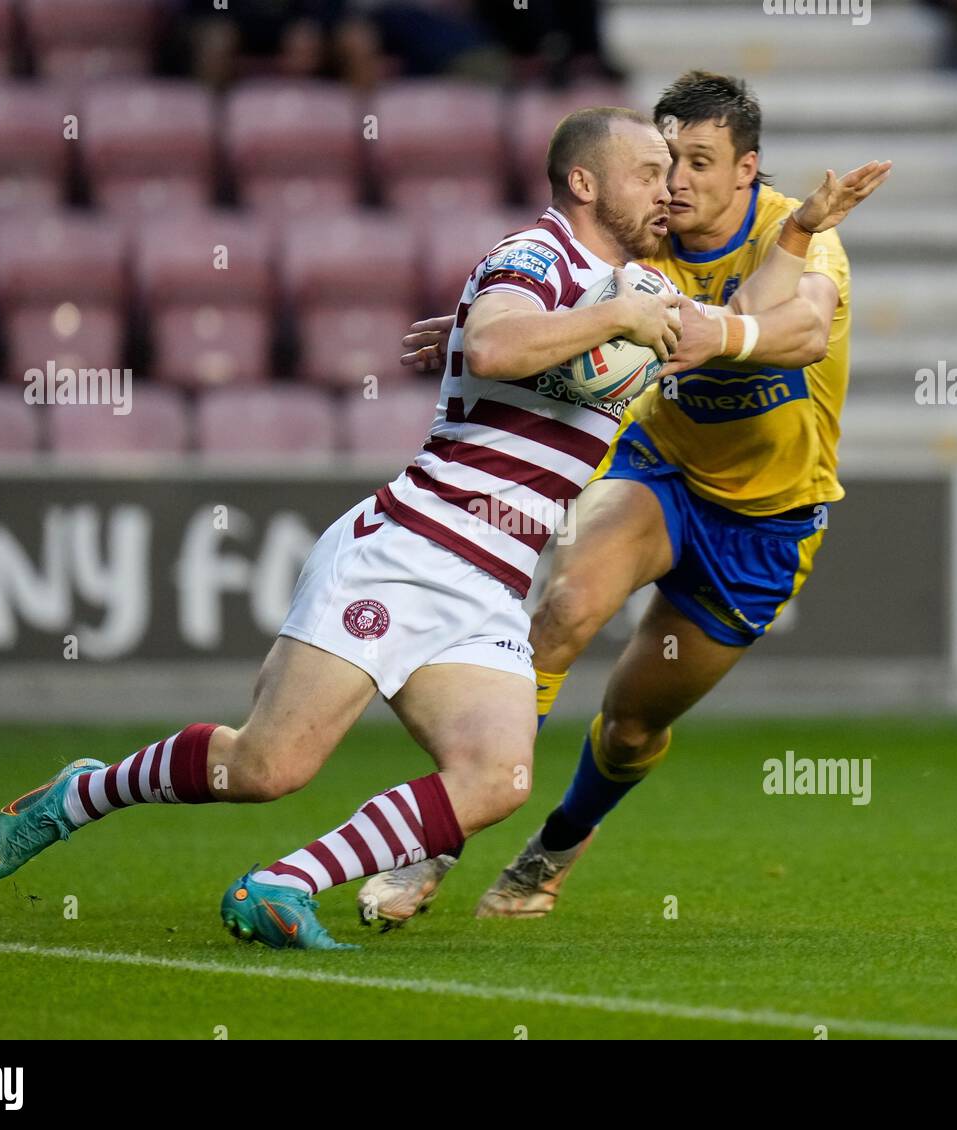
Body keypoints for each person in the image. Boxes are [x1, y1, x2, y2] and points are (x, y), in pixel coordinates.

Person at [0, 105, 823, 952]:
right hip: (410, 548)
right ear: (584, 183)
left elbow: (748, 323)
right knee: (266, 768)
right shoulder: (533, 256)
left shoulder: (648, 293)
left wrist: (798, 237)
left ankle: (281, 885)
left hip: (490, 584)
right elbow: (492, 348)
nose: (667, 190)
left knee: (497, 777)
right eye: (648, 172)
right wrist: (606, 323)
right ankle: (80, 794)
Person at [361, 72, 890, 925]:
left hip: (768, 521)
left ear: (747, 170)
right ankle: (443, 833)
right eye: (665, 158)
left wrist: (718, 332)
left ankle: (556, 847)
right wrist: (473, 326)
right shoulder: (644, 237)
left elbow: (800, 330)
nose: (674, 180)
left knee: (633, 727)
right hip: (659, 473)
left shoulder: (798, 235)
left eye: (699, 162)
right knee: (564, 608)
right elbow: (551, 297)